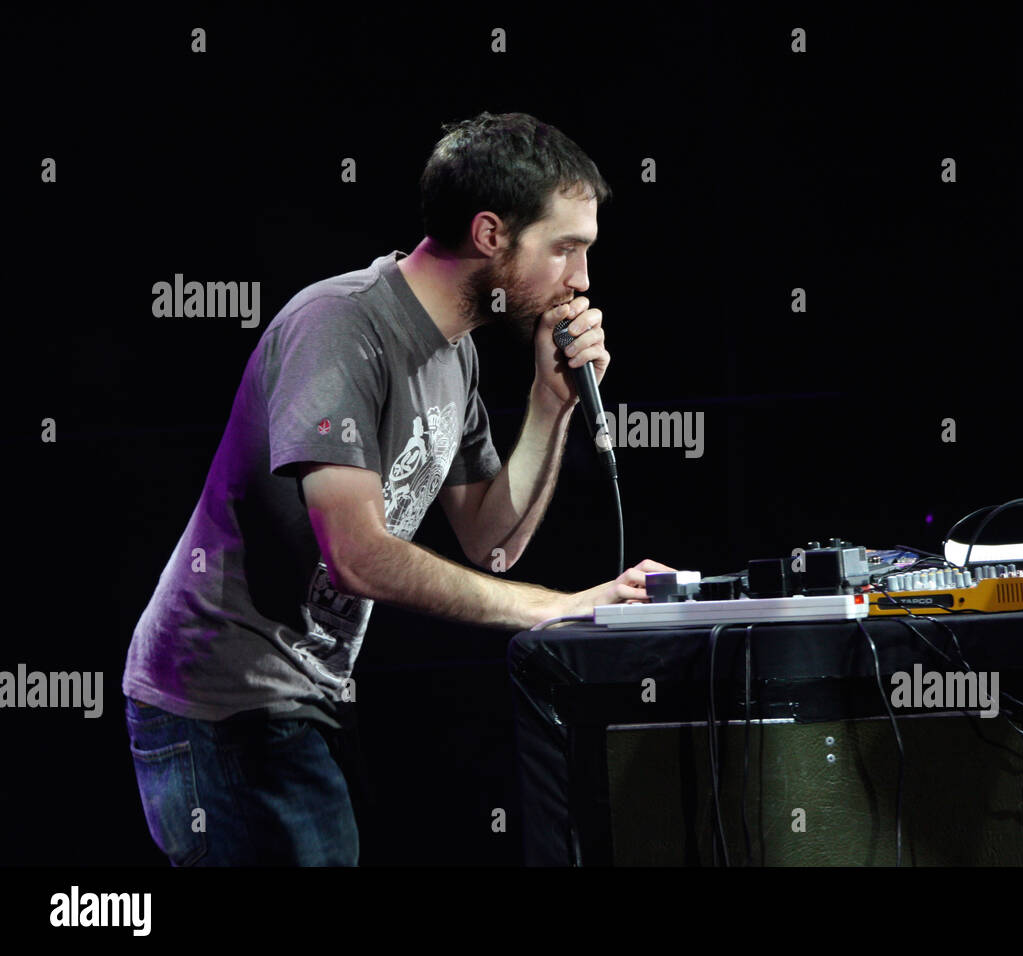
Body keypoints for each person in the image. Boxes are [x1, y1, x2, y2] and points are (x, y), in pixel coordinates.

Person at [122, 111, 672, 866]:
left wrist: (551, 406)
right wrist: (561, 606)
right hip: (219, 705)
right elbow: (357, 554)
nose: (581, 279)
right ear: (490, 235)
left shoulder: (457, 356)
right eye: (566, 248)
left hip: (303, 697)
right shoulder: (340, 326)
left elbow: (491, 542)